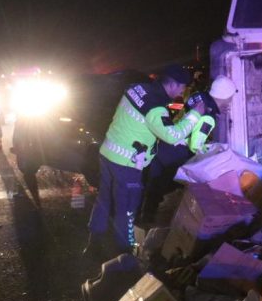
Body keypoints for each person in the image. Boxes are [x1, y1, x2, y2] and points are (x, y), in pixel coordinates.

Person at [83, 64, 203, 259]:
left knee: (104, 200)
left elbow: (157, 109)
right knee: (127, 209)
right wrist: (195, 113)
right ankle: (125, 253)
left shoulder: (138, 89)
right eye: (182, 87)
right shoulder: (156, 107)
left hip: (107, 154)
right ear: (172, 84)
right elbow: (171, 135)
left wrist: (183, 106)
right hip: (126, 164)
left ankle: (93, 242)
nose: (183, 91)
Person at [138, 75, 236, 226]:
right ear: (224, 96)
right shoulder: (208, 117)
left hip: (165, 143)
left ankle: (143, 217)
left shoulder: (198, 97)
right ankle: (167, 223)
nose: (230, 100)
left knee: (153, 185)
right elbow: (195, 145)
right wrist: (209, 149)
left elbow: (183, 111)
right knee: (174, 189)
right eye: (230, 97)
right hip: (177, 153)